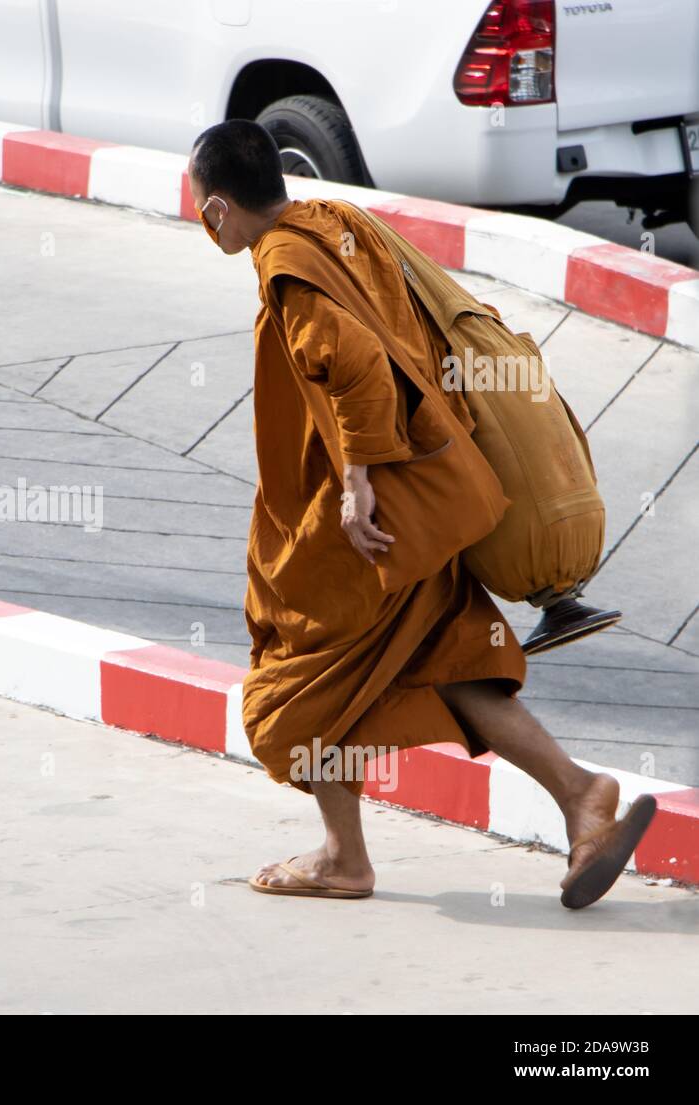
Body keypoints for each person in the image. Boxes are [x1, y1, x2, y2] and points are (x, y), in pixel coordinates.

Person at [187, 119, 655, 909]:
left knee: (289, 684)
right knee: (446, 653)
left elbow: (362, 368)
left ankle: (344, 857)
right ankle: (581, 797)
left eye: (202, 209)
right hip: (430, 493)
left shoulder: (287, 265)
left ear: (220, 211)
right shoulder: (336, 224)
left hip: (372, 524)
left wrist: (358, 481)